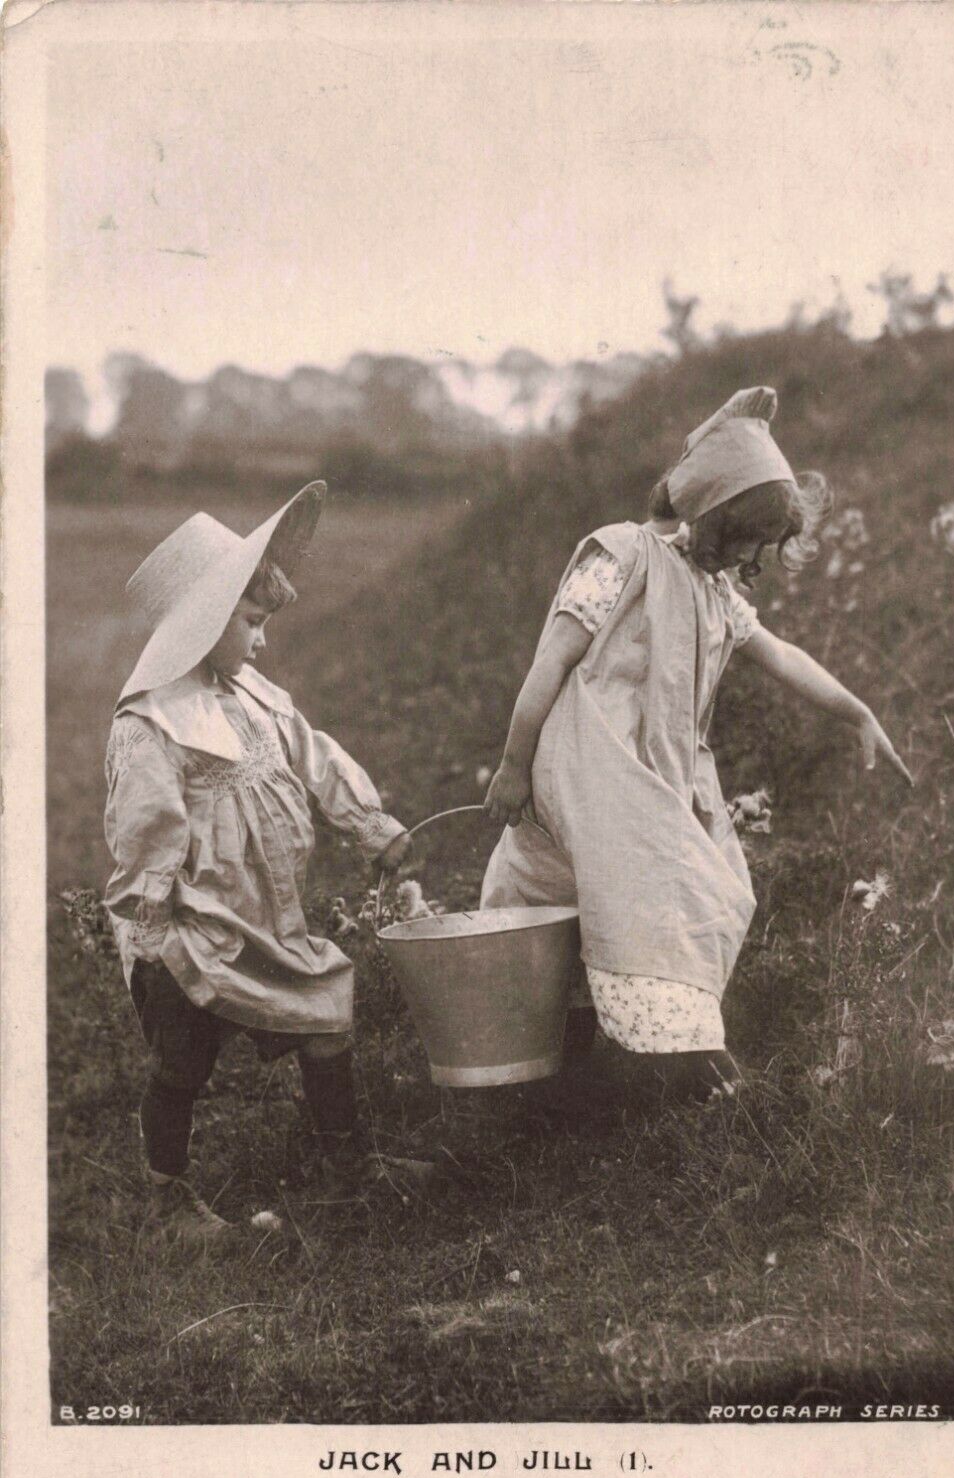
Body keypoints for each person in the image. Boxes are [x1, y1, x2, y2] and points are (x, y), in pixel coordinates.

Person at [481, 387, 912, 1102]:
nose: (755, 558)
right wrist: (511, 765)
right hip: (588, 766)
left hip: (649, 777)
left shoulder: (714, 591)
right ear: (716, 519)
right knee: (659, 899)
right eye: (750, 540)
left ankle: (572, 1081)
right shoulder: (623, 556)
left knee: (633, 896)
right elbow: (549, 663)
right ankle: (698, 1067)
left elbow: (780, 654)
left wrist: (856, 711)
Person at [104, 481, 410, 1239]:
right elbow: (144, 835)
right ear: (204, 623)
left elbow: (317, 757)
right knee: (182, 1061)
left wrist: (374, 827)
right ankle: (165, 1199)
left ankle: (345, 1165)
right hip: (195, 927)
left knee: (326, 1010)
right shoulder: (153, 724)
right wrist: (149, 933)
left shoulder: (256, 695)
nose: (262, 639)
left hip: (270, 917)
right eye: (251, 621)